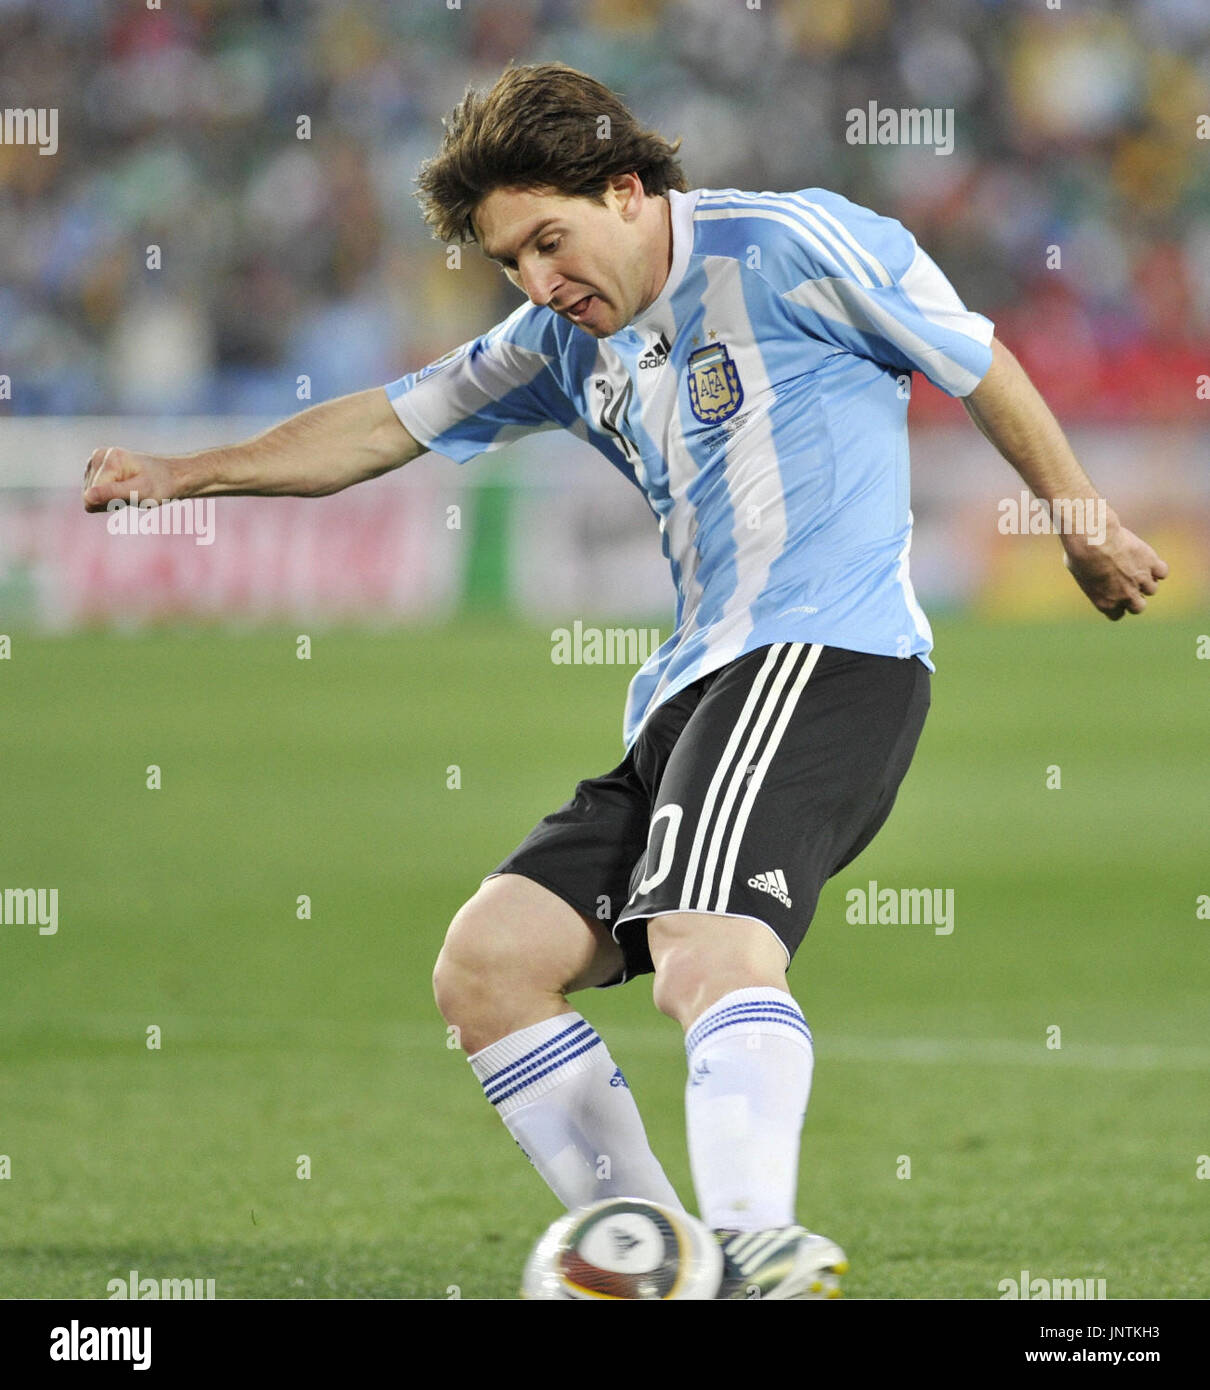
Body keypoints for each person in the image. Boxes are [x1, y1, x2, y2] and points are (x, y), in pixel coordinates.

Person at [83, 62, 1168, 1300]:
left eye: (550, 241)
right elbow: (385, 422)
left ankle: (762, 1247)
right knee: (486, 968)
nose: (539, 281)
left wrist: (1080, 521)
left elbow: (978, 361)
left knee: (708, 944)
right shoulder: (556, 342)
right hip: (692, 692)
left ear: (628, 189)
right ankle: (667, 1264)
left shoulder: (790, 243)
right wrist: (187, 472)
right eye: (509, 262)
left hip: (825, 657)